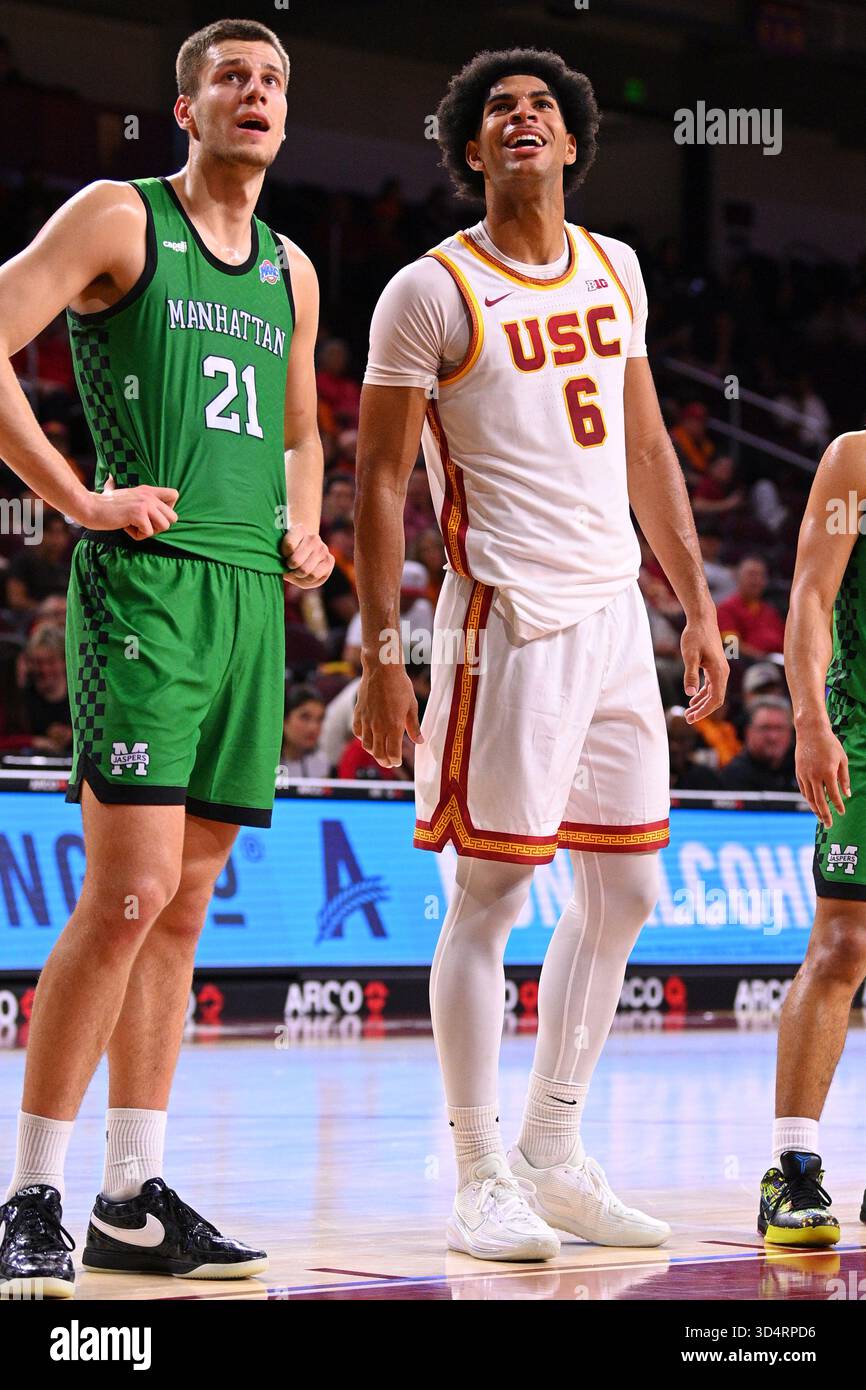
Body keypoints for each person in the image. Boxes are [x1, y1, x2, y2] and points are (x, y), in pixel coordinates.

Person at [353, 47, 727, 1262]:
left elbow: (645, 453)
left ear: (571, 144)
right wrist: (382, 650)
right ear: (469, 151)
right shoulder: (429, 288)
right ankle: (475, 1171)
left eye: (543, 110)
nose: (523, 121)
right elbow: (375, 479)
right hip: (500, 620)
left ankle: (552, 1152)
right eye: (497, 112)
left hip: (616, 614)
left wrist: (696, 603)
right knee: (493, 893)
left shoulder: (614, 267)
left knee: (625, 888)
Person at [0, 17, 333, 1298]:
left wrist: (304, 524)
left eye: (274, 82)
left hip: (252, 602)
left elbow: (305, 432)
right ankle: (30, 1188)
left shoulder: (294, 271)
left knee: (185, 908)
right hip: (145, 589)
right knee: (129, 895)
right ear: (185, 109)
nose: (256, 95)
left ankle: (130, 1196)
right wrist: (79, 498)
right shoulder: (118, 217)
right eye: (232, 80)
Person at [757, 431, 866, 1249]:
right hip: (860, 732)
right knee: (841, 948)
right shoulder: (855, 460)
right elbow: (810, 598)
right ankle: (792, 1171)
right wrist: (810, 719)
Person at [718, 698, 798, 798]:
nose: (773, 737)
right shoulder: (733, 775)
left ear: (791, 732)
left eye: (779, 728)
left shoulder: (803, 769)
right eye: (765, 728)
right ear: (748, 732)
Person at [716, 556, 785, 659]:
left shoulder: (770, 611)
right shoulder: (726, 609)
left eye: (761, 576)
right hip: (749, 665)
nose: (756, 580)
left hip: (780, 662)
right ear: (737, 577)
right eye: (751, 575)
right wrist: (761, 658)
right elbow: (731, 649)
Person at [280, 684, 330, 777]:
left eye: (320, 719)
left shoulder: (321, 764)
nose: (313, 727)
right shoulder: (264, 762)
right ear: (284, 720)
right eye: (305, 717)